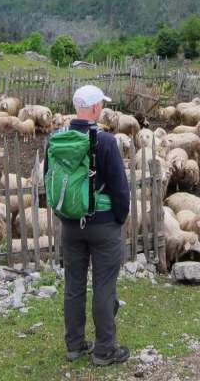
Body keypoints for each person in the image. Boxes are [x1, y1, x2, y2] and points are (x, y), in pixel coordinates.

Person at [46, 85, 131, 366]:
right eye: (101, 106)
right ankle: (104, 349)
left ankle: (74, 345)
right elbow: (120, 188)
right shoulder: (105, 141)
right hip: (103, 224)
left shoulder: (56, 139)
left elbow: (51, 181)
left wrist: (65, 215)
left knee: (74, 284)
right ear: (95, 108)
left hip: (70, 225)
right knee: (104, 285)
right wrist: (118, 218)